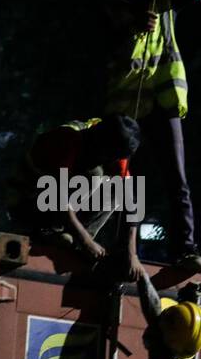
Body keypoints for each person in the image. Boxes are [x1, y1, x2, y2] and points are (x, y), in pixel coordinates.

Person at [102, 0, 201, 276]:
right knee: (128, 183)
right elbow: (106, 52)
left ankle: (185, 251)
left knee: (178, 180)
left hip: (163, 105)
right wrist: (132, 27)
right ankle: (122, 250)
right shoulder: (110, 9)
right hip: (129, 111)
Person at [8, 115, 145, 278]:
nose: (109, 160)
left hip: (56, 206)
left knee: (117, 187)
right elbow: (58, 195)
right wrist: (86, 241)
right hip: (26, 204)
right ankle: (51, 232)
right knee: (95, 174)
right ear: (99, 140)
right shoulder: (67, 138)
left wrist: (132, 254)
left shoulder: (113, 150)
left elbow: (131, 201)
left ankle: (73, 240)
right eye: (108, 155)